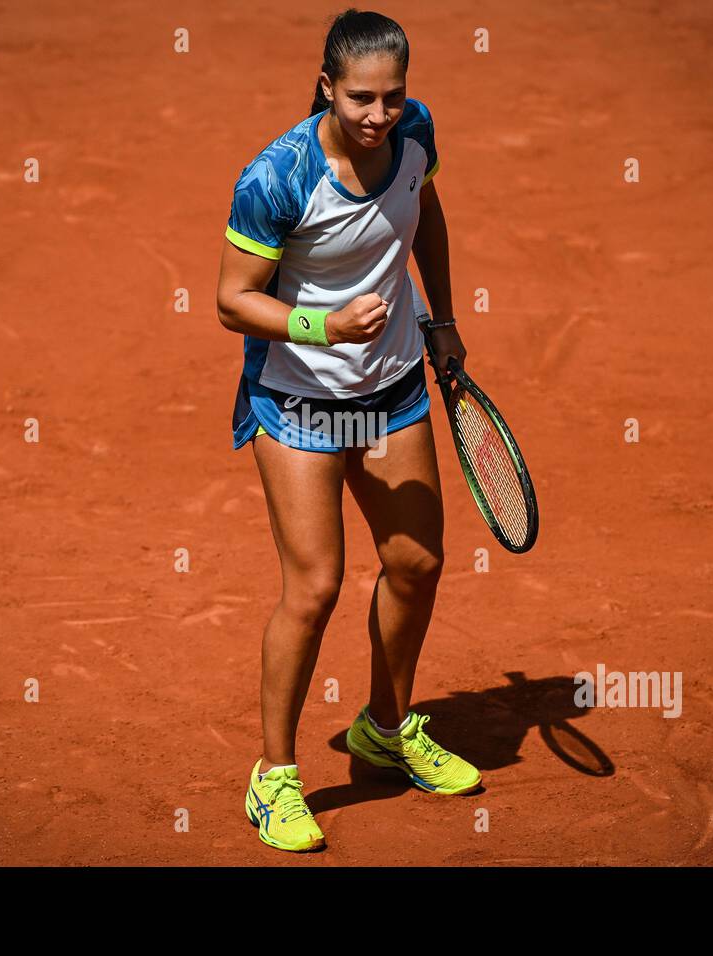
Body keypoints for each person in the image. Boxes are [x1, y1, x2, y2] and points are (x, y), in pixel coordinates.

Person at [216, 8, 481, 854]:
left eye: (391, 97)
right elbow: (233, 299)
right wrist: (321, 329)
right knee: (317, 586)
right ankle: (276, 777)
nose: (377, 115)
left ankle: (385, 726)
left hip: (393, 386)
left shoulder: (415, 133)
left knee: (416, 562)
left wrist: (441, 317)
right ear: (326, 86)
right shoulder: (277, 176)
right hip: (297, 401)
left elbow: (425, 214)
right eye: (360, 97)